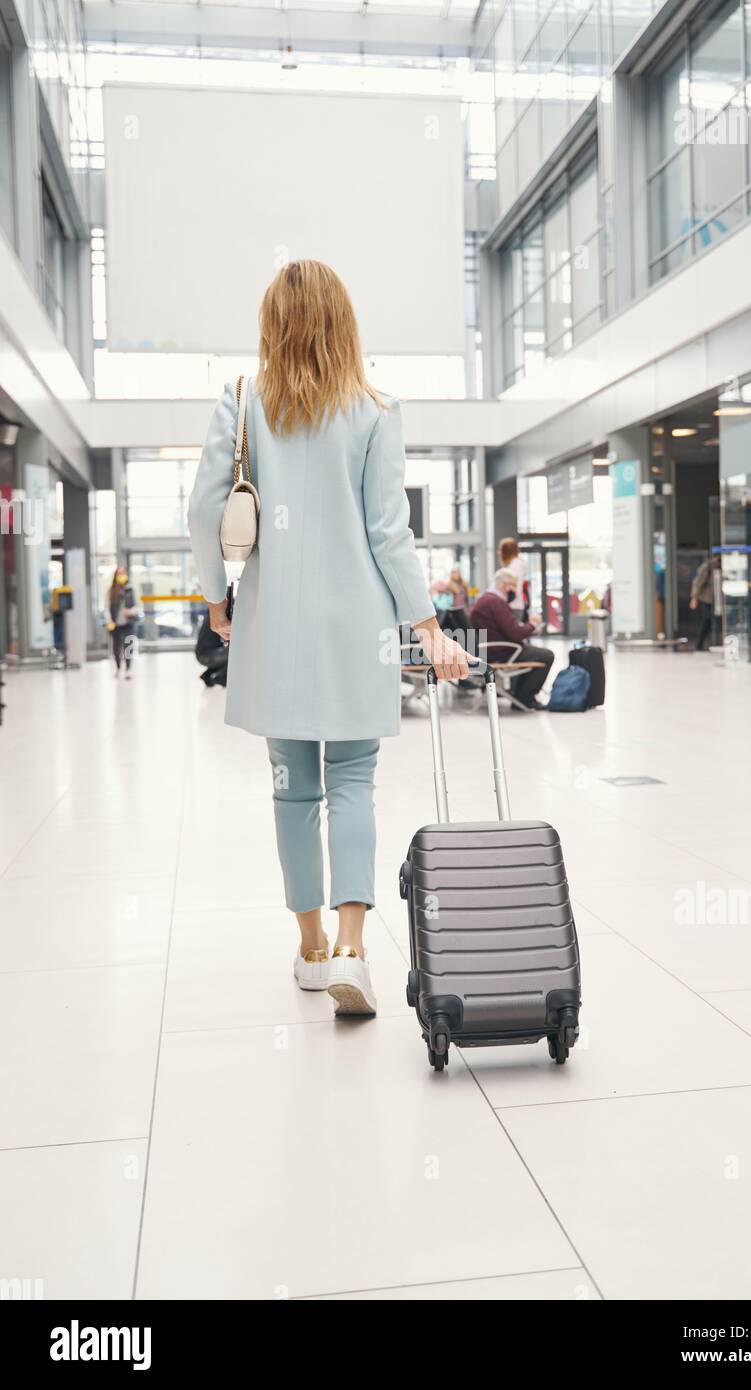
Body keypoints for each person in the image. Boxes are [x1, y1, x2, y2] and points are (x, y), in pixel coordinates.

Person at [188, 260, 469, 1018]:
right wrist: (428, 626)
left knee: (292, 787)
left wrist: (217, 598)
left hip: (273, 623)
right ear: (344, 322)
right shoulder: (376, 408)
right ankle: (353, 947)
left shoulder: (243, 402)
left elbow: (202, 511)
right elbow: (389, 531)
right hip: (357, 627)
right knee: (351, 782)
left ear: (271, 324)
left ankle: (310, 947)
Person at [469, 568, 553, 710]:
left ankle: (519, 695)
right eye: (513, 585)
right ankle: (525, 698)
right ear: (503, 585)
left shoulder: (485, 600)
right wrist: (533, 623)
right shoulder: (495, 602)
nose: (515, 590)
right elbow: (516, 633)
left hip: (490, 649)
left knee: (533, 653)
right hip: (502, 651)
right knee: (546, 655)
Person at [106, 567, 138, 679]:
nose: (121, 575)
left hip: (129, 624)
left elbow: (138, 606)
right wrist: (109, 620)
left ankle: (128, 669)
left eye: (123, 573)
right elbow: (106, 607)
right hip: (115, 625)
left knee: (128, 647)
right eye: (119, 573)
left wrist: (131, 611)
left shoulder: (131, 589)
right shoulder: (111, 590)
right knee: (116, 649)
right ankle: (118, 668)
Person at [690, 554, 717, 651]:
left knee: (710, 621)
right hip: (706, 599)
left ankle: (709, 643)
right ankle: (699, 644)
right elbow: (697, 583)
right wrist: (694, 598)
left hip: (716, 600)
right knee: (706, 620)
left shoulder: (719, 566)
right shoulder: (706, 567)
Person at [195, 609, 228, 687]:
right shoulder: (221, 614)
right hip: (207, 655)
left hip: (204, 654)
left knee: (228, 652)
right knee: (234, 653)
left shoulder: (215, 612)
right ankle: (220, 677)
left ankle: (208, 675)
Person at [498, 538, 529, 617]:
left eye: (500, 549)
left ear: (506, 551)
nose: (499, 553)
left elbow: (514, 589)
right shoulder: (517, 565)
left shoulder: (514, 566)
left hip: (513, 606)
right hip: (515, 606)